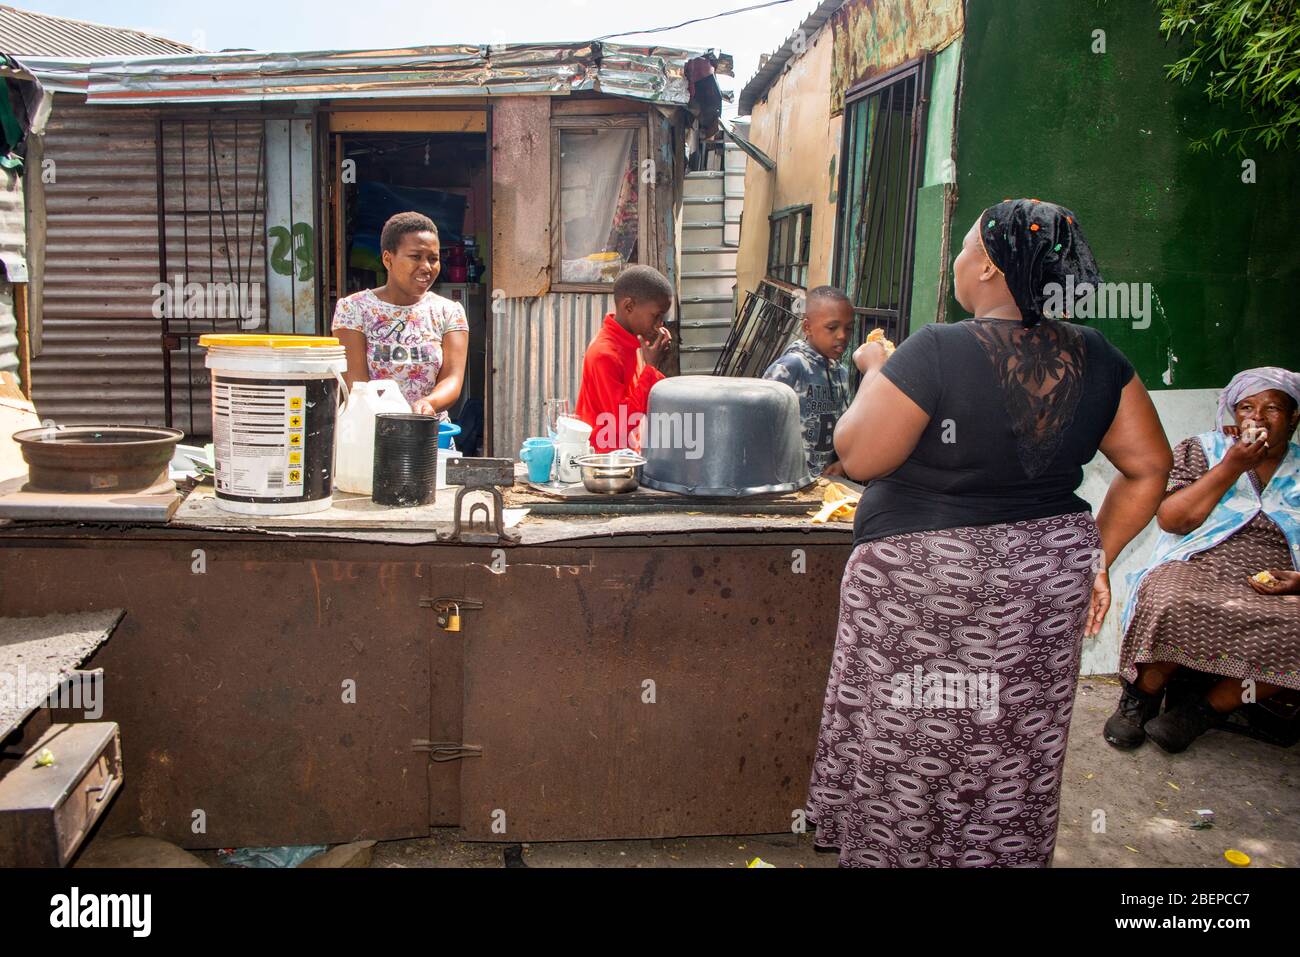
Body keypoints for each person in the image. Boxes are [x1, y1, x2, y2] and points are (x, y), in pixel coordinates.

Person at [805, 198, 1173, 868]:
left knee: (913, 738)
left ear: (994, 270)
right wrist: (1098, 554)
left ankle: (900, 851)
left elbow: (860, 454)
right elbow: (1150, 466)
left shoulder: (937, 350)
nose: (959, 257)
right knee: (1010, 737)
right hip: (1040, 587)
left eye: (969, 244)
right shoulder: (1098, 356)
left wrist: (874, 371)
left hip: (925, 586)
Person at [1104, 367, 1300, 754]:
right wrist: (1231, 466)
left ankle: (1203, 710)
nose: (1257, 418)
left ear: (1294, 417)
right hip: (1197, 560)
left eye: (1272, 408)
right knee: (1170, 599)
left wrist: (1298, 580)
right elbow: (1174, 520)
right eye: (1246, 407)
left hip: (1278, 572)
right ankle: (1140, 697)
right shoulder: (1203, 450)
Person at [332, 212, 468, 420]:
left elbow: (452, 379)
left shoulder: (449, 312)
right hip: (372, 433)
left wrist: (428, 403)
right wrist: (395, 422)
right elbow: (356, 385)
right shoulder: (353, 309)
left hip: (430, 433)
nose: (426, 267)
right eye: (416, 257)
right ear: (388, 259)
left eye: (433, 259)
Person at [574, 265, 674, 453]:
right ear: (629, 306)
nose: (660, 324)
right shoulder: (604, 354)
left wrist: (659, 362)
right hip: (604, 461)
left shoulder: (633, 343)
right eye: (656, 316)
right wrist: (651, 368)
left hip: (625, 453)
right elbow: (618, 424)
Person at [761, 286, 854, 477]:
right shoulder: (792, 367)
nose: (842, 336)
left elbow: (845, 427)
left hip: (823, 482)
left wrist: (841, 464)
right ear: (807, 327)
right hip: (787, 482)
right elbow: (758, 422)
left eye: (848, 328)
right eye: (832, 327)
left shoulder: (841, 374)